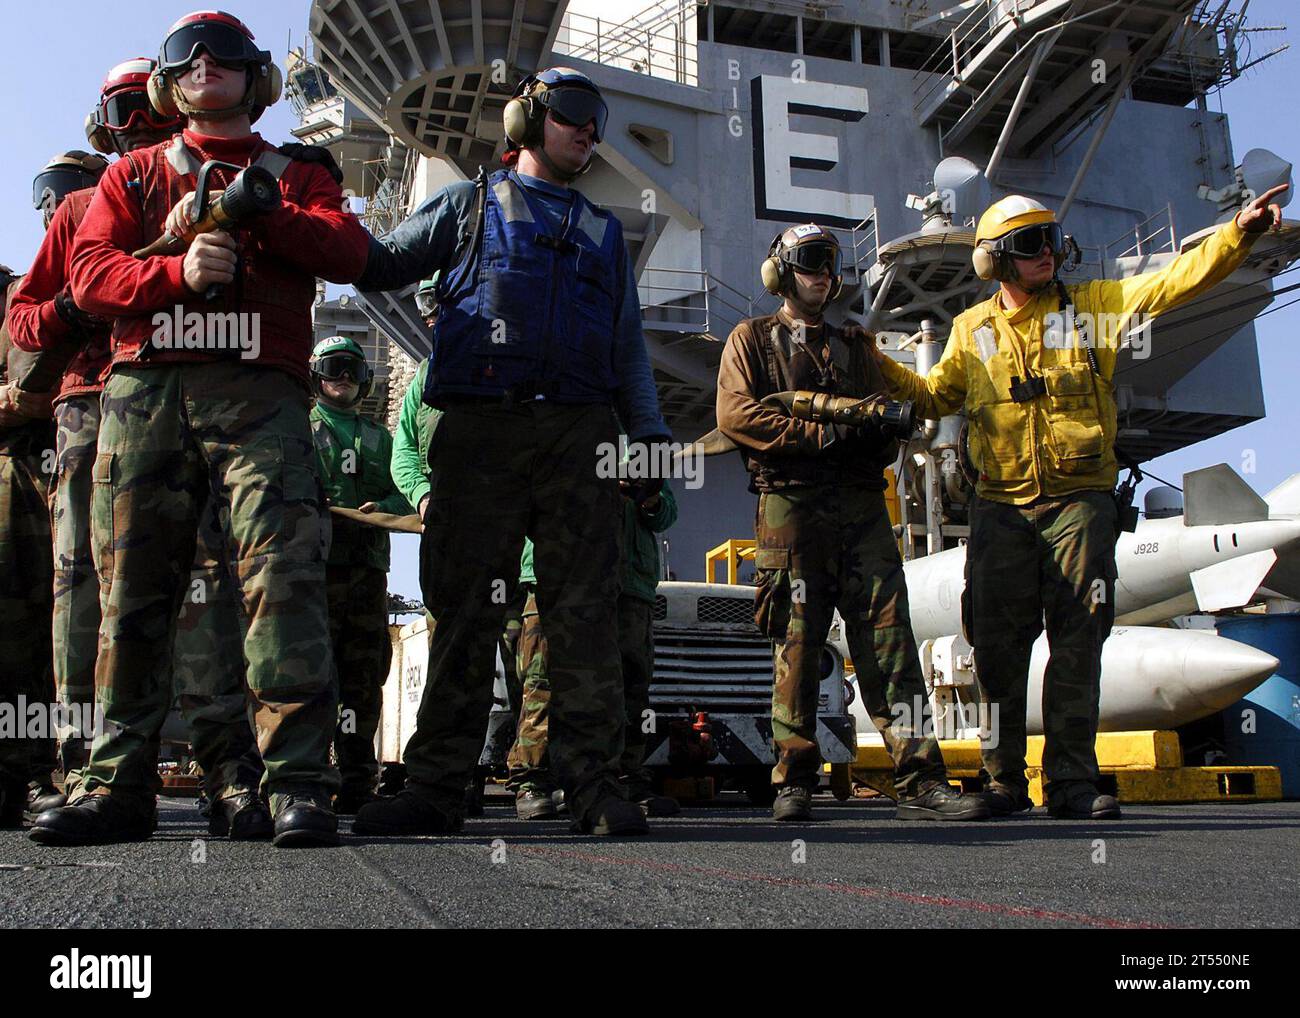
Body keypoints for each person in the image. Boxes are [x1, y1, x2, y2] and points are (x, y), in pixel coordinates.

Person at [29, 10, 370, 848]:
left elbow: (349, 251)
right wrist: (175, 271)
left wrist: (260, 217)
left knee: (281, 580)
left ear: (256, 78)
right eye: (187, 55)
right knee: (131, 593)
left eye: (225, 54)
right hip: (148, 394)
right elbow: (92, 275)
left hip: (262, 395)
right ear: (168, 84)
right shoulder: (133, 175)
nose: (205, 64)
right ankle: (116, 785)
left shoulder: (298, 172)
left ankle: (297, 783)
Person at [875, 188, 1287, 819]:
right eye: (1030, 244)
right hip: (1000, 509)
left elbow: (1172, 280)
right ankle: (1004, 780)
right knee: (994, 644)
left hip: (1078, 504)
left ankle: (1070, 781)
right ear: (995, 262)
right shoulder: (970, 331)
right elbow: (933, 398)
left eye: (1051, 239)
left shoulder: (1093, 308)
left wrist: (1238, 233)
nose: (1048, 253)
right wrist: (873, 364)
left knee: (1077, 641)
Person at [353, 67, 669, 837]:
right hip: (480, 434)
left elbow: (627, 349)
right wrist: (313, 214)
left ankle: (592, 787)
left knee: (584, 616)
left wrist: (652, 440)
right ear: (525, 118)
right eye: (571, 114)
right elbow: (378, 264)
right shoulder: (465, 206)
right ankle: (434, 788)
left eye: (597, 118)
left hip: (579, 436)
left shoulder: (602, 231)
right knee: (466, 615)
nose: (588, 129)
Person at [717, 223, 991, 823]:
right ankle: (793, 779)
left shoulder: (857, 345)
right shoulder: (751, 339)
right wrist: (822, 432)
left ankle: (920, 780)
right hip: (791, 507)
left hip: (862, 505)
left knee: (891, 640)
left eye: (830, 262)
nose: (822, 273)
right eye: (810, 261)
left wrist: (872, 431)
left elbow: (894, 423)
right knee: (797, 642)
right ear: (783, 272)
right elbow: (736, 416)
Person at [506, 474, 681, 820]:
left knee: (631, 685)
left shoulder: (640, 441)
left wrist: (650, 499)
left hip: (630, 583)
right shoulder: (555, 426)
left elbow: (667, 514)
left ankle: (624, 777)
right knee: (545, 679)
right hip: (559, 572)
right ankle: (533, 779)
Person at [307, 335, 410, 813]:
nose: (342, 376)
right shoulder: (300, 430)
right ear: (317, 373)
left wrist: (382, 506)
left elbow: (403, 493)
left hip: (367, 574)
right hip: (313, 573)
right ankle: (308, 774)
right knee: (311, 675)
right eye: (333, 367)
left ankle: (356, 777)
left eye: (351, 368)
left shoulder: (379, 439)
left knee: (364, 678)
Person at [0, 267, 58, 827]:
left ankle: (37, 772)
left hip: (47, 470)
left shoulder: (22, 292)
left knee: (44, 629)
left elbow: (40, 397)